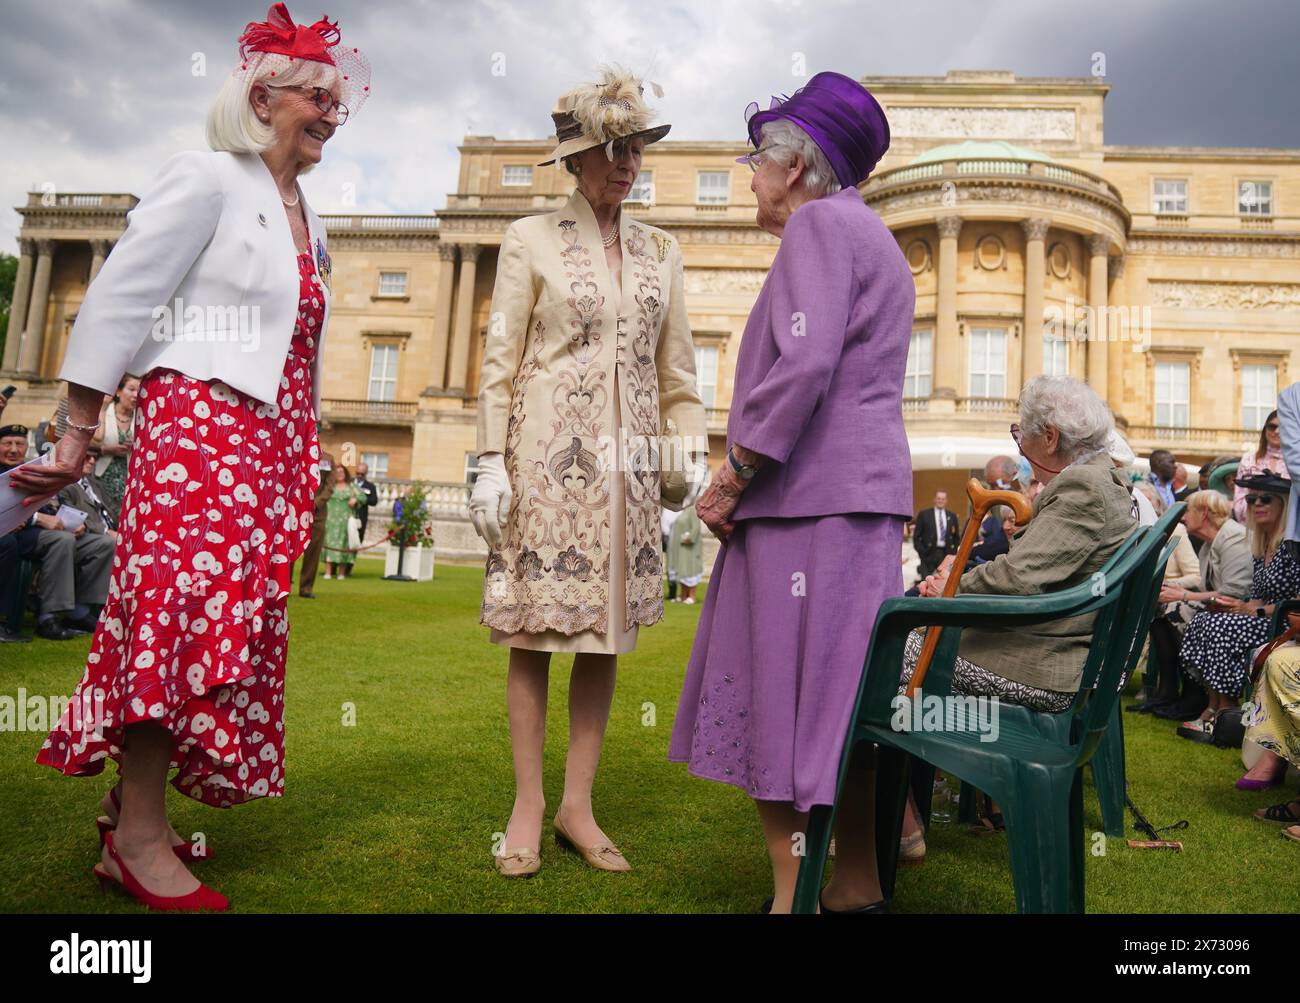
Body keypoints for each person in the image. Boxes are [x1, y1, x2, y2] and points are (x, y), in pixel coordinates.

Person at [14, 3, 369, 911]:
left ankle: (131, 810)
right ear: (260, 96)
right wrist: (80, 429)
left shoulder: (309, 216)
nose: (331, 112)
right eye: (315, 97)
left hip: (267, 442)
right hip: (198, 432)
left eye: (338, 99)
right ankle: (136, 838)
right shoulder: (208, 178)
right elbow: (117, 303)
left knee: (223, 629)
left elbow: (298, 348)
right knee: (176, 624)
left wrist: (307, 442)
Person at [669, 72, 910, 914]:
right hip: (861, 505)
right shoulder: (873, 236)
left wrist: (735, 469)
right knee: (844, 703)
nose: (748, 175)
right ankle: (854, 885)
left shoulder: (814, 228)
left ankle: (790, 896)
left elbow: (803, 366)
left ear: (797, 168)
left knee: (779, 699)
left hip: (804, 504)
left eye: (755, 159)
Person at [471, 66, 708, 878]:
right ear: (576, 158)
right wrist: (484, 462)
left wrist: (688, 453)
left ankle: (578, 800)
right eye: (611, 148)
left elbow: (677, 374)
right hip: (542, 455)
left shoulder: (662, 251)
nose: (626, 162)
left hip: (632, 469)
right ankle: (529, 801)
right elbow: (500, 359)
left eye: (634, 147)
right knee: (533, 631)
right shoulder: (529, 238)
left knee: (603, 636)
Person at [1176, 473, 1300, 743]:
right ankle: (1213, 707)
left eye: (1266, 499)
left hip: (1285, 625)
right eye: (1252, 499)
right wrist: (1240, 606)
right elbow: (1256, 598)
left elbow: (1292, 602)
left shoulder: (1292, 547)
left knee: (1220, 627)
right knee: (1206, 619)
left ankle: (1226, 712)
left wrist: (1254, 610)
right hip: (1263, 620)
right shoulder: (1262, 545)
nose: (1257, 504)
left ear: (1284, 504)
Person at [1145, 490, 1252, 720]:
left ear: (1203, 513)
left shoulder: (1233, 538)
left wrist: (1183, 595)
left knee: (1177, 608)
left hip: (1241, 613)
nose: (1183, 518)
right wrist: (1181, 595)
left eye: (1188, 511)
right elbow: (1208, 591)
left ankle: (1196, 694)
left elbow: (1233, 594)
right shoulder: (1209, 544)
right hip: (1219, 610)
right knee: (1162, 608)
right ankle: (1174, 691)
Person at [1, 423, 113, 640]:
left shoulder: (30, 469)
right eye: (7, 444)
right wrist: (38, 518)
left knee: (103, 544)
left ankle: (82, 610)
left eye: (20, 444)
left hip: (50, 531)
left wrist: (73, 522)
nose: (14, 449)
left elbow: (54, 502)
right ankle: (48, 617)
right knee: (61, 541)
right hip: (19, 534)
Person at [92, 376, 138, 526]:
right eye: (131, 389)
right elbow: (90, 442)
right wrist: (106, 450)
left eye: (139, 390)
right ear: (118, 391)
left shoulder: (141, 417)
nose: (136, 395)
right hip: (102, 475)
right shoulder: (104, 411)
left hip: (130, 478)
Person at [1233, 410, 1288, 522]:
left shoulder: (1296, 462)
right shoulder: (1249, 459)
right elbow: (1239, 502)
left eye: (1283, 427)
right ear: (1265, 430)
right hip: (1251, 527)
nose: (1277, 431)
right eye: (1272, 427)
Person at [297, 450, 334, 598]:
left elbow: (329, 486)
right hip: (296, 508)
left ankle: (306, 588)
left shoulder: (328, 459)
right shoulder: (297, 453)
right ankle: (283, 587)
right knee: (287, 551)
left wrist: (315, 503)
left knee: (313, 552)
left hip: (317, 512)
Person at [323, 464, 363, 578]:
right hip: (330, 520)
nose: (340, 474)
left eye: (342, 472)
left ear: (345, 473)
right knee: (329, 543)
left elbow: (363, 497)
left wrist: (355, 499)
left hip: (345, 520)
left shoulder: (351, 487)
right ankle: (328, 572)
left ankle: (341, 572)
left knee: (344, 544)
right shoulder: (330, 486)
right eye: (337, 472)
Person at [912, 490, 960, 581]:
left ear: (946, 501)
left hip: (946, 554)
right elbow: (916, 536)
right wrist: (922, 552)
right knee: (926, 581)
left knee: (943, 582)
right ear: (934, 499)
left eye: (943, 499)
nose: (940, 501)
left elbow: (956, 537)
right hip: (928, 553)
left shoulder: (952, 516)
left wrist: (953, 553)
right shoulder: (924, 514)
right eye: (938, 498)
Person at [668, 505, 704, 603]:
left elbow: (696, 527)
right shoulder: (681, 511)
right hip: (680, 547)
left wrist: (688, 538)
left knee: (691, 569)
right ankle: (683, 595)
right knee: (683, 570)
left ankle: (691, 596)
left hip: (689, 547)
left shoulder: (692, 510)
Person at [353, 460, 379, 543]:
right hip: (347, 515)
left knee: (358, 540)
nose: (359, 476)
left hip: (361, 517)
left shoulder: (370, 486)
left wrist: (361, 498)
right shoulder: (349, 482)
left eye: (362, 474)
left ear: (366, 473)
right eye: (358, 473)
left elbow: (374, 501)